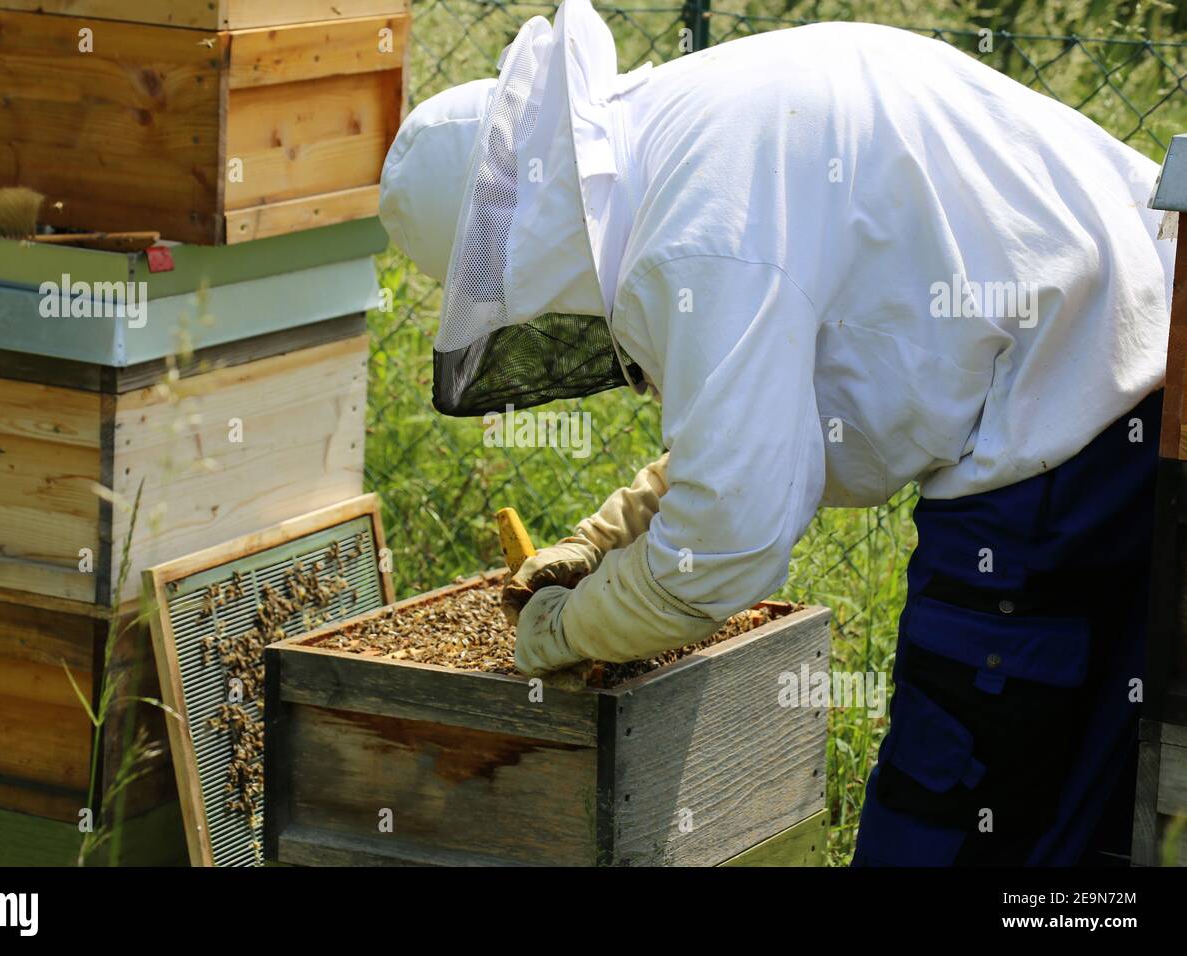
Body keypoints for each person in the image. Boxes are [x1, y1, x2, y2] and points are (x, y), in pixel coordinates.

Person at [377, 0, 1175, 865]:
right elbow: (776, 411)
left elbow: (724, 549)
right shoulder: (684, 135)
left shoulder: (692, 241)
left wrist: (564, 634)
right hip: (1129, 353)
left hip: (1066, 412)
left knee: (950, 812)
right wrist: (625, 525)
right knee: (1092, 801)